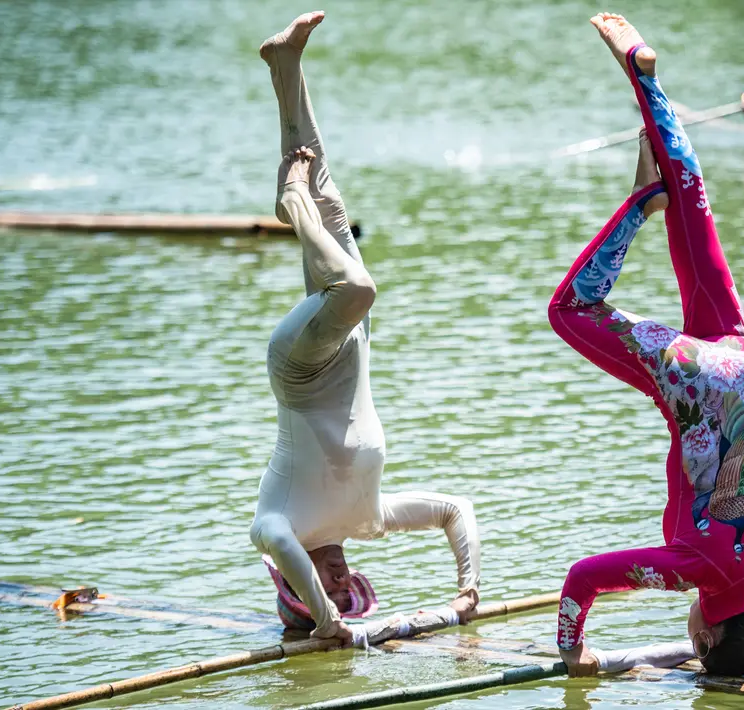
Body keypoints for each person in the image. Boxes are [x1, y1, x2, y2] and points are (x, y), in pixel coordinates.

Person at [548, 14, 744, 678]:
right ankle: (637, 202)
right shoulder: (696, 576)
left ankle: (643, 79)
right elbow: (582, 579)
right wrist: (574, 650)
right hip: (698, 382)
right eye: (697, 642)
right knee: (570, 309)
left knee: (696, 219)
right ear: (705, 640)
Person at [248, 11, 480, 645]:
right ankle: (285, 66)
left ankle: (289, 206)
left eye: (332, 588)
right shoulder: (368, 520)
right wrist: (468, 589)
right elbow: (456, 509)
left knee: (354, 284)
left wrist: (328, 623)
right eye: (349, 589)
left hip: (297, 368)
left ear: (296, 589)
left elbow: (289, 558)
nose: (341, 578)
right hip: (350, 341)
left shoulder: (277, 528)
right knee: (330, 199)